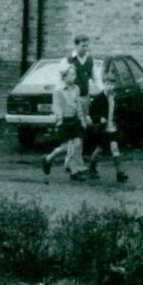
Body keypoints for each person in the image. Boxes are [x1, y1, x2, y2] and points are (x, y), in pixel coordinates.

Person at [43, 37, 94, 180]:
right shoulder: (59, 90)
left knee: (77, 144)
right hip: (65, 121)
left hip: (75, 120)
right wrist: (59, 120)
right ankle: (48, 158)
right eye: (72, 75)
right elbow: (57, 107)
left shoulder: (76, 88)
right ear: (65, 77)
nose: (75, 77)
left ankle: (74, 171)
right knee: (66, 147)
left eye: (75, 74)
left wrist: (82, 119)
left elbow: (78, 104)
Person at [82, 59, 129, 184]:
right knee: (99, 149)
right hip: (103, 129)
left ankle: (120, 173)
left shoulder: (115, 98)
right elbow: (92, 112)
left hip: (112, 128)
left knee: (115, 148)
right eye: (107, 84)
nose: (110, 86)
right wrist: (99, 119)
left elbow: (119, 112)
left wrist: (119, 121)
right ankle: (92, 166)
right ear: (104, 84)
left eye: (112, 84)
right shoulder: (99, 98)